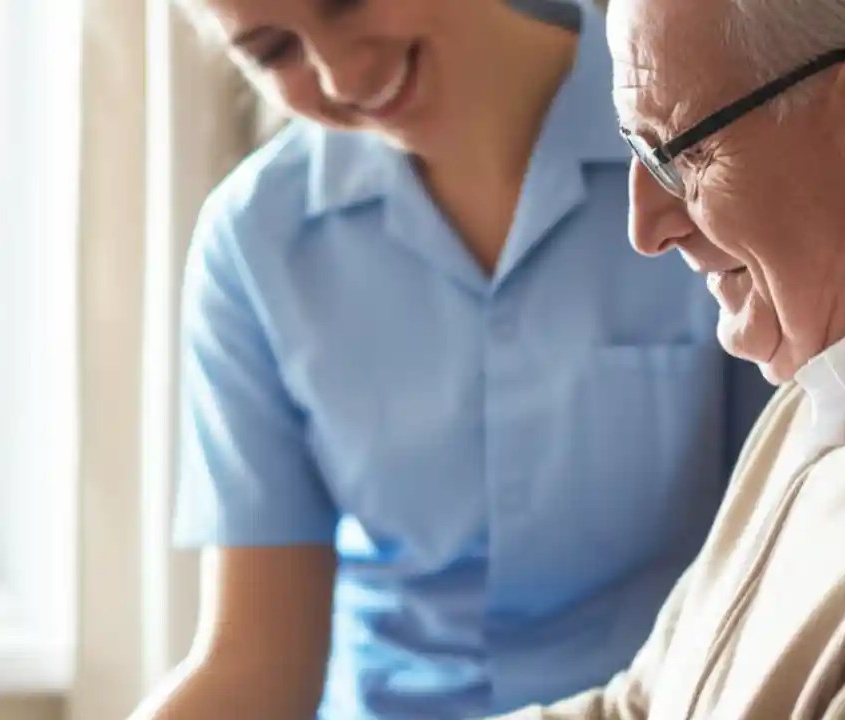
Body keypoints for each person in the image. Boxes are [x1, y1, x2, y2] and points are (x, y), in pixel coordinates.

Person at [133, 1, 771, 718]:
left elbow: (794, 565)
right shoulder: (255, 242)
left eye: (345, 1)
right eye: (275, 50)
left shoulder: (714, 149)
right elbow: (253, 662)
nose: (342, 75)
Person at [492, 0, 845, 717]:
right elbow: (645, 706)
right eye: (636, 151)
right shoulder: (829, 387)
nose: (646, 228)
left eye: (677, 154)